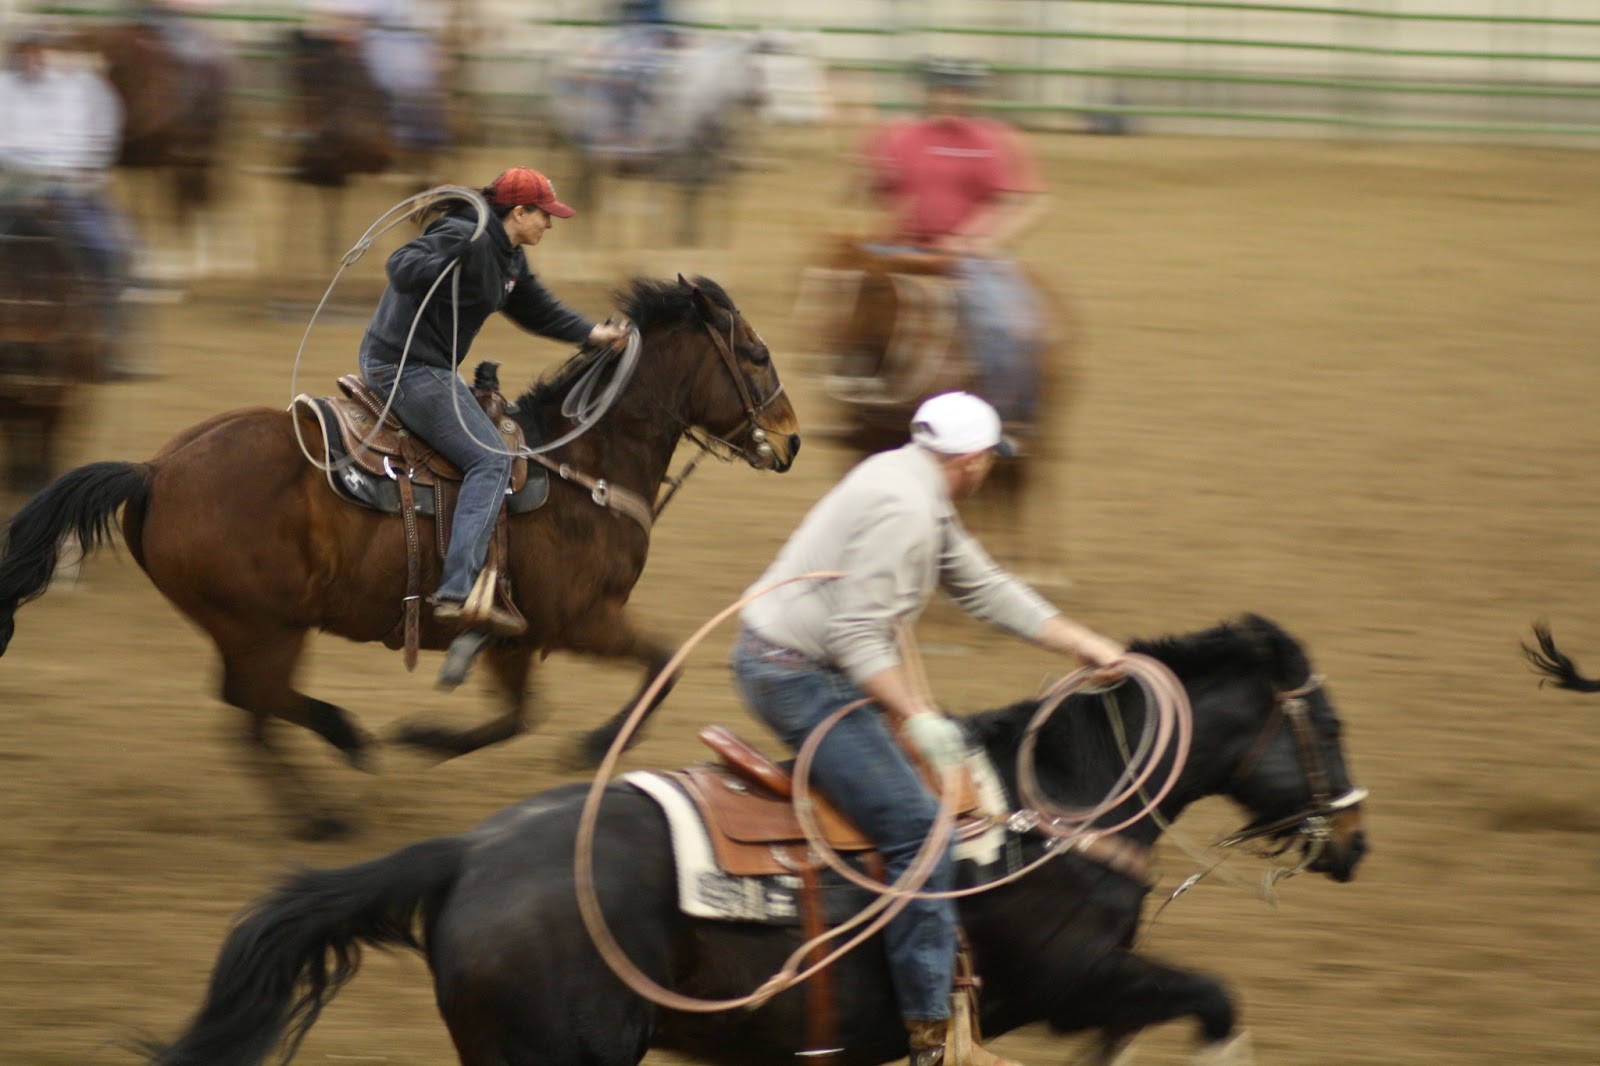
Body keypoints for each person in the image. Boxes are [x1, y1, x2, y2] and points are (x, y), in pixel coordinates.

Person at [730, 391, 1124, 1066]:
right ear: (971, 460)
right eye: (991, 459)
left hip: (801, 659)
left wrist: (1082, 643)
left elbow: (981, 585)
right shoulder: (908, 510)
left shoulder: (909, 481)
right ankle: (934, 1039)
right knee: (920, 829)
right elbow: (858, 638)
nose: (991, 469)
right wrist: (917, 717)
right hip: (795, 677)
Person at [358, 166, 630, 635]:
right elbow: (400, 267)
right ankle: (455, 590)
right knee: (490, 460)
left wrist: (592, 333)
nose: (549, 224)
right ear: (520, 212)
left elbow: (535, 307)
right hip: (403, 368)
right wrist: (450, 257)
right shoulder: (464, 233)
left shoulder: (508, 255)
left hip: (433, 370)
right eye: (544, 216)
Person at [860, 57, 1047, 425]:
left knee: (1004, 325)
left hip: (963, 256)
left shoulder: (987, 141)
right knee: (845, 295)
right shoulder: (902, 137)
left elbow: (1007, 200)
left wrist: (975, 239)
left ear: (972, 98)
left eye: (959, 92)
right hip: (903, 247)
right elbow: (881, 191)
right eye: (943, 90)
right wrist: (868, 175)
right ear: (929, 94)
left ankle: (1006, 416)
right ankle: (855, 399)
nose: (950, 99)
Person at [0, 28, 143, 375]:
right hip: (10, 185)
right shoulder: (6, 87)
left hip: (60, 188)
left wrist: (74, 175)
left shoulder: (66, 89)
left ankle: (111, 343)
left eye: (38, 50)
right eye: (26, 50)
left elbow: (83, 144)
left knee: (110, 252)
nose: (33, 57)